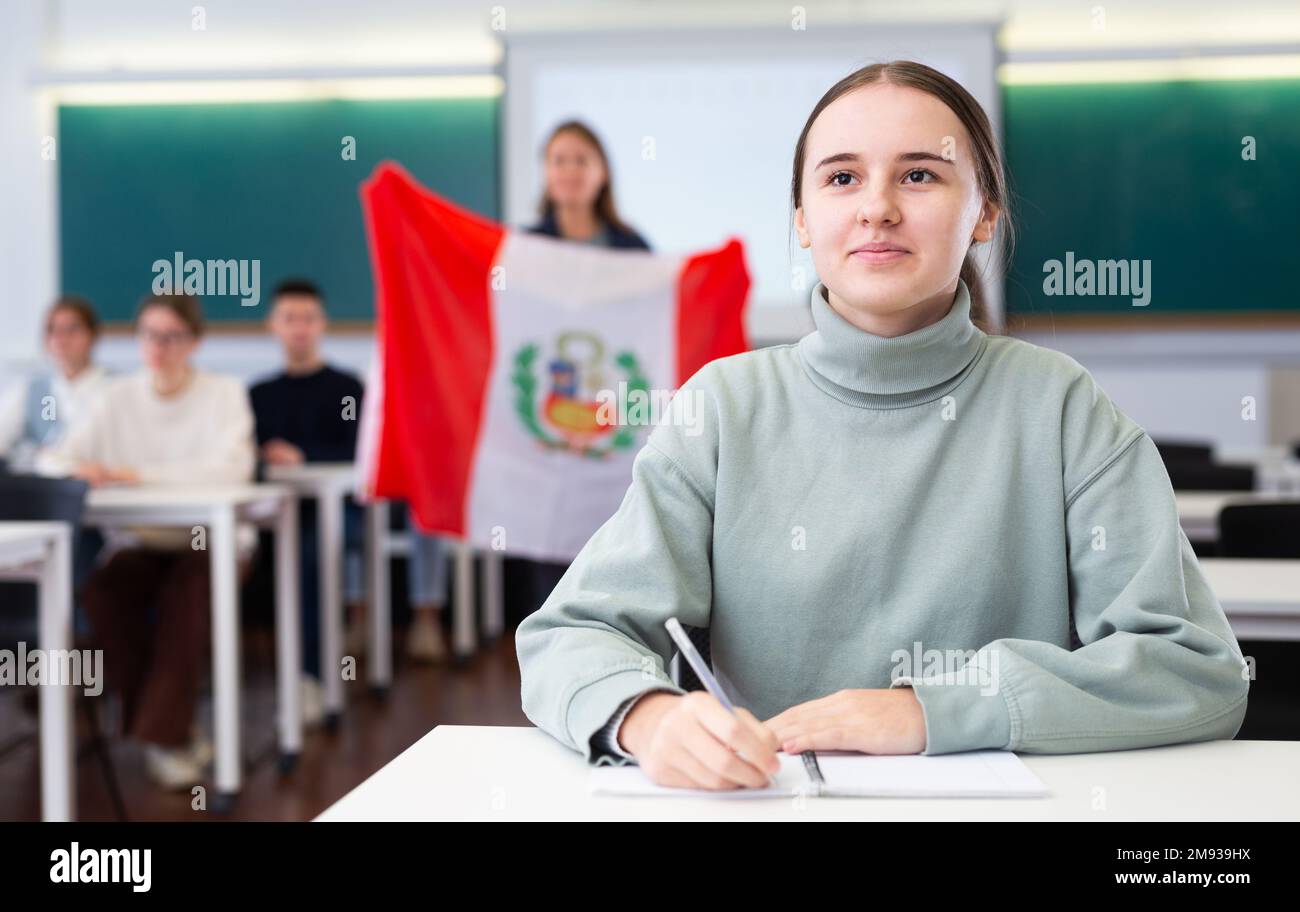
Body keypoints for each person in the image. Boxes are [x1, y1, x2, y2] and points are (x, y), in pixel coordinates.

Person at [516, 60, 1249, 791]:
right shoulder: (724, 409)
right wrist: (646, 717)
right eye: (841, 178)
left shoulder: (1063, 407)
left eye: (920, 175)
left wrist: (932, 711)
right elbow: (569, 636)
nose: (877, 208)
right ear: (802, 219)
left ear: (984, 212)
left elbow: (1194, 669)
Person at [44, 293, 257, 790]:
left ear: (194, 343)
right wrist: (82, 469)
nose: (158, 347)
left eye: (171, 336)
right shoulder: (116, 398)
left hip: (211, 542)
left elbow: (231, 469)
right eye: (148, 335)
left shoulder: (223, 394)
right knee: (102, 594)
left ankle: (163, 735)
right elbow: (54, 459)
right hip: (140, 542)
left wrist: (134, 474)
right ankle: (170, 732)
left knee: (186, 598)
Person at [512, 120, 652, 620]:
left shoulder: (632, 248)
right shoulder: (521, 249)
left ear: (602, 173)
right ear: (545, 173)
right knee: (546, 545)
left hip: (611, 415)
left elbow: (649, 334)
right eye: (559, 160)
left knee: (613, 545)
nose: (569, 170)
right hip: (541, 424)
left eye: (581, 159)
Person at [249, 279, 381, 712]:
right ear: (273, 325)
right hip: (271, 512)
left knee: (310, 555)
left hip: (336, 512)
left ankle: (313, 677)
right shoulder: (257, 395)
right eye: (290, 318)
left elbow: (359, 453)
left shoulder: (347, 387)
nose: (299, 328)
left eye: (307, 318)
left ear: (322, 324)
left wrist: (303, 455)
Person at [0, 295, 112, 473]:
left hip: (104, 490)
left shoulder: (115, 388)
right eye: (53, 330)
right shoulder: (32, 389)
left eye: (72, 329)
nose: (61, 339)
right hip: (44, 493)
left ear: (93, 336)